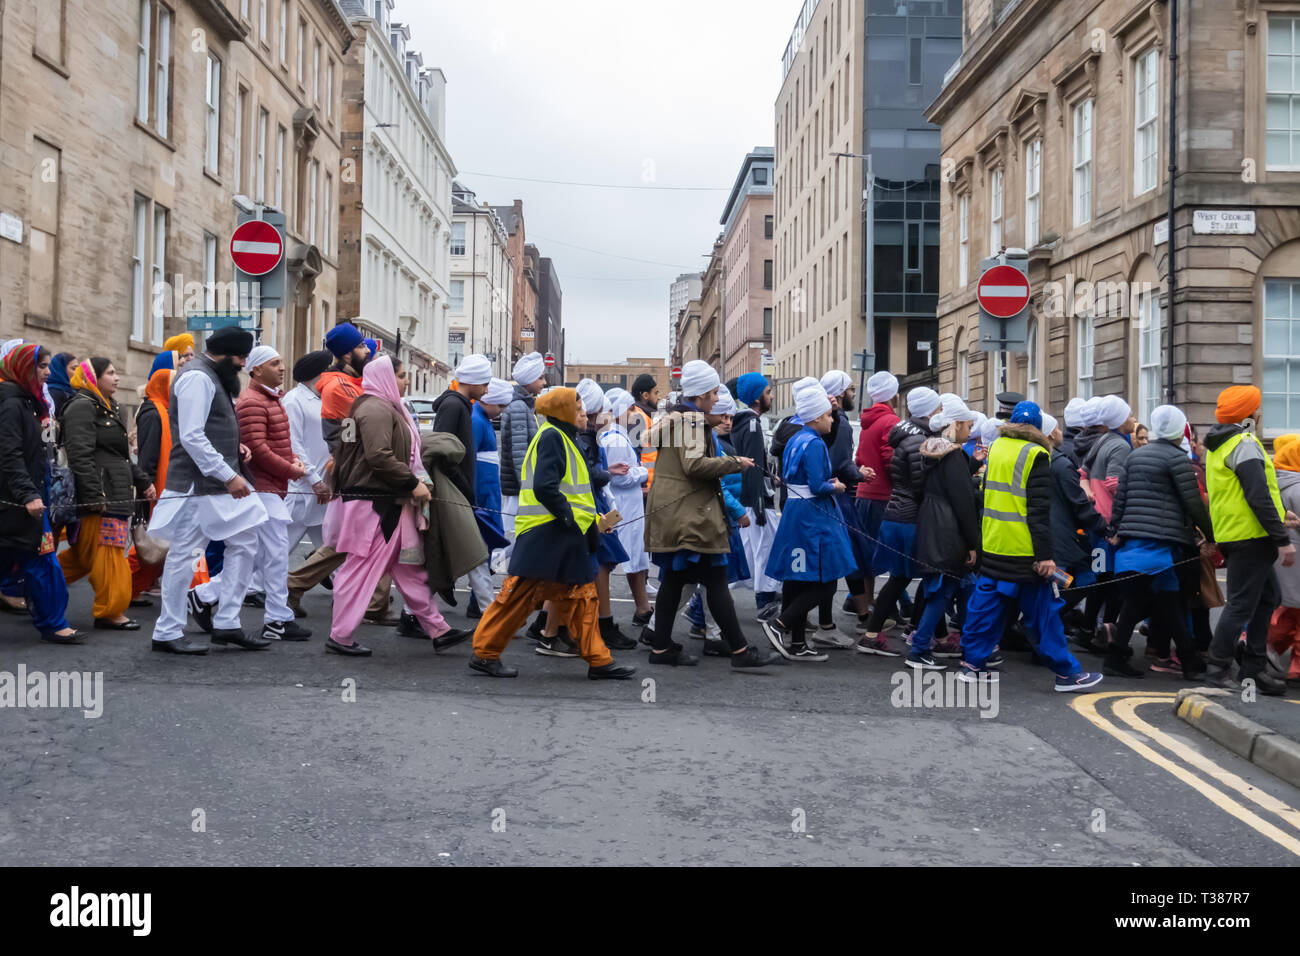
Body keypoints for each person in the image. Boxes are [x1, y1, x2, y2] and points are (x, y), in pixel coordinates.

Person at [467, 387, 637, 681]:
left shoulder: (561, 438)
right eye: (579, 409)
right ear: (563, 412)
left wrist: (589, 519)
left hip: (560, 534)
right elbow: (547, 487)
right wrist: (572, 517)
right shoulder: (554, 438)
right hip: (549, 534)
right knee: (520, 597)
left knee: (582, 596)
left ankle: (599, 660)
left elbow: (569, 491)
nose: (585, 414)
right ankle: (484, 653)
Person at [324, 356, 467, 656]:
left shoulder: (364, 406)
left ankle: (438, 629)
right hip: (377, 503)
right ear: (387, 378)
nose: (406, 381)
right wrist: (411, 483)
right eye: (402, 376)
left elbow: (346, 450)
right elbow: (378, 456)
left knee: (409, 569)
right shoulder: (377, 409)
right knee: (359, 569)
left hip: (377, 501)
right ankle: (340, 636)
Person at [959, 401, 1102, 691]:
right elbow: (1037, 512)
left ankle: (972, 664)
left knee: (985, 609)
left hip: (995, 543)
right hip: (1026, 553)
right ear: (1038, 428)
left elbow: (987, 495)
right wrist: (1046, 556)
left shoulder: (996, 447)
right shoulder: (1037, 455)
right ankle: (1067, 673)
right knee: (1044, 615)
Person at [642, 360, 775, 670]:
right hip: (690, 515)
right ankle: (740, 651)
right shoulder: (690, 423)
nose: (717, 398)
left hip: (681, 514)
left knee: (676, 582)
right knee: (714, 581)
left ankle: (661, 647)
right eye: (714, 393)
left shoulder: (681, 419)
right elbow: (694, 466)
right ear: (701, 395)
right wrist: (735, 462)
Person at [147, 326, 270, 654]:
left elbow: (210, 429)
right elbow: (191, 436)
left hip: (218, 483)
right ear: (227, 354)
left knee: (246, 542)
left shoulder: (213, 375)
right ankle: (167, 630)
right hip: (198, 485)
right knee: (184, 555)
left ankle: (228, 622)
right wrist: (228, 474)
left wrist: (236, 448)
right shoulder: (198, 377)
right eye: (242, 357)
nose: (244, 364)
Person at [287, 324, 393, 623]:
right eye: (361, 347)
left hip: (357, 471)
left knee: (366, 540)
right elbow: (348, 435)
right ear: (346, 353)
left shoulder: (349, 383)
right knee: (359, 540)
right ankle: (368, 603)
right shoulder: (340, 388)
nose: (366, 352)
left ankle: (375, 602)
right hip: (359, 474)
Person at [1101, 404, 1212, 680]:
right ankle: (1117, 658)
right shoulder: (1177, 459)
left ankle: (1186, 660)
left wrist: (1115, 528)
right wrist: (1211, 536)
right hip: (1161, 540)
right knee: (1145, 600)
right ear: (1178, 431)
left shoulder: (1136, 456)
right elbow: (1194, 504)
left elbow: (1122, 497)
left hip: (1136, 537)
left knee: (1169, 598)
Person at [1204, 385, 1293, 694]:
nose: (1259, 415)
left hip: (1237, 533)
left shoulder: (1219, 445)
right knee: (1241, 604)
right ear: (1248, 416)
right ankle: (1217, 667)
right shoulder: (1244, 443)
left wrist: (1282, 516)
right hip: (1251, 537)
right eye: (1257, 410)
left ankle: (1253, 667)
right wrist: (1283, 539)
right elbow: (1257, 495)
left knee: (1269, 597)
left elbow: (1243, 494)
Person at [760, 381, 855, 662]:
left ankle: (798, 642)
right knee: (825, 581)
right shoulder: (814, 443)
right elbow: (816, 485)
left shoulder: (795, 439)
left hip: (795, 512)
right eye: (827, 415)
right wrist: (835, 486)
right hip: (814, 516)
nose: (831, 419)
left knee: (797, 579)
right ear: (815, 417)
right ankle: (779, 625)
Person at [58, 358, 155, 630]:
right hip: (102, 497)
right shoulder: (82, 407)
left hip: (116, 492)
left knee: (84, 557)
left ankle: (32, 588)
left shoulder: (110, 407)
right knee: (108, 555)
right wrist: (94, 496)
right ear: (94, 377)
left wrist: (143, 481)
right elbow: (79, 455)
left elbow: (120, 456)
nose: (117, 377)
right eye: (110, 373)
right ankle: (111, 611)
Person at [230, 345, 312, 642]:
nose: (282, 367)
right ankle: (277, 618)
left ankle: (204, 594)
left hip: (270, 486)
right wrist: (292, 470)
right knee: (274, 552)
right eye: (275, 363)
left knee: (256, 555)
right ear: (256, 369)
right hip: (261, 486)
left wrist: (293, 461)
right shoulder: (253, 401)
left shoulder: (269, 398)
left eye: (281, 362)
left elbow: (278, 442)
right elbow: (259, 450)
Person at [0, 343, 79, 643]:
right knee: (44, 560)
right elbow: (9, 455)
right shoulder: (9, 404)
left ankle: (52, 621)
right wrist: (28, 495)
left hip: (28, 499)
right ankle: (54, 623)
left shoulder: (26, 402)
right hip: (17, 503)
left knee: (35, 559)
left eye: (48, 366)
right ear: (23, 368)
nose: (47, 372)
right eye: (41, 366)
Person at [856, 386, 939, 656]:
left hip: (898, 513)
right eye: (938, 408)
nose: (941, 413)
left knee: (901, 577)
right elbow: (920, 484)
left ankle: (875, 634)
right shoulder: (919, 441)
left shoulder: (908, 435)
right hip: (909, 517)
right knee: (927, 576)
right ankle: (923, 633)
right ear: (929, 411)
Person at [907, 403, 981, 670]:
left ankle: (965, 644)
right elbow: (964, 503)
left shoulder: (929, 452)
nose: (969, 432)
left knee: (950, 589)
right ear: (956, 424)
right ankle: (918, 650)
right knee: (943, 593)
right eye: (968, 426)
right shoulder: (953, 456)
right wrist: (973, 544)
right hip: (948, 531)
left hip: (930, 524)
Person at [575, 378, 637, 651]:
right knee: (604, 558)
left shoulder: (592, 436)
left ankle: (550, 624)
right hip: (594, 506)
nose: (610, 417)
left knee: (606, 559)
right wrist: (607, 474)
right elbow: (589, 475)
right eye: (606, 411)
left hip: (600, 504)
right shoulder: (587, 438)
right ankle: (603, 623)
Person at [817, 369, 870, 640]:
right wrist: (860, 473)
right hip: (837, 497)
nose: (853, 394)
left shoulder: (826, 420)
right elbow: (839, 463)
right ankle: (859, 617)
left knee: (836, 559)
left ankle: (851, 617)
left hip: (827, 495)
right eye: (850, 389)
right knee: (848, 558)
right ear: (838, 392)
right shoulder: (840, 422)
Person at [599, 388, 654, 625]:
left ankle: (643, 608)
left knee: (634, 559)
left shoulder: (617, 436)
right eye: (630, 408)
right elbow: (621, 477)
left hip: (626, 506)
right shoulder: (616, 439)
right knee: (623, 558)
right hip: (623, 508)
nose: (635, 412)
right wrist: (643, 472)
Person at [731, 371, 781, 615]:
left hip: (752, 498)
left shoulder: (745, 422)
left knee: (752, 553)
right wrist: (759, 503)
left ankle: (767, 596)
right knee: (763, 551)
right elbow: (751, 465)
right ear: (758, 397)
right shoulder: (752, 424)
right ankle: (766, 601)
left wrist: (769, 478)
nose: (771, 395)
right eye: (768, 391)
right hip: (756, 501)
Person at [127, 357, 175, 602]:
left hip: (163, 487)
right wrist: (147, 485)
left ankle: (130, 588)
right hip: (155, 489)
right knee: (150, 543)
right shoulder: (152, 413)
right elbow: (148, 455)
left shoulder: (163, 410)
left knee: (158, 544)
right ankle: (125, 585)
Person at [464, 377, 513, 618]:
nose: (501, 411)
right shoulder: (477, 421)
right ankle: (479, 602)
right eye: (500, 406)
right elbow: (471, 463)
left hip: (488, 496)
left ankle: (478, 600)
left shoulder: (479, 419)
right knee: (486, 550)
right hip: (483, 498)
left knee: (488, 550)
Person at [855, 370, 902, 607]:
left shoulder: (867, 422)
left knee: (867, 554)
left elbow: (859, 457)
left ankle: (867, 602)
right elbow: (890, 458)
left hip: (864, 493)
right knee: (892, 554)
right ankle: (885, 606)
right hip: (883, 495)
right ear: (893, 394)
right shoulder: (891, 421)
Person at [283, 349, 333, 558]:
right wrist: (313, 479)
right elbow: (294, 445)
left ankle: (347, 587)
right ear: (319, 373)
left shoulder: (322, 399)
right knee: (280, 547)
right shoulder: (293, 400)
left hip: (323, 488)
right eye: (328, 370)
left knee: (329, 547)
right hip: (303, 489)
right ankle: (251, 586)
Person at [499, 351, 546, 552]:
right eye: (541, 377)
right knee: (515, 541)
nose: (544, 382)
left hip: (521, 488)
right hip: (519, 490)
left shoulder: (525, 406)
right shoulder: (519, 408)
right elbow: (520, 454)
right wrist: (528, 487)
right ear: (529, 380)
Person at [432, 354, 491, 508]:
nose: (486, 390)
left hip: (458, 490)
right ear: (473, 382)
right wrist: (463, 486)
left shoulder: (460, 405)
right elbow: (442, 453)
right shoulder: (453, 406)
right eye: (484, 384)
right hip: (454, 492)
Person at [1268, 439, 1300, 685]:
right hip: (1296, 557)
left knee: (1285, 611)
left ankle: (1263, 647)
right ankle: (1297, 667)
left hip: (1277, 559)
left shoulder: (1272, 484)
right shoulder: (1298, 488)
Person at [629, 372, 660, 491]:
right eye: (655, 393)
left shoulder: (644, 415)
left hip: (649, 483)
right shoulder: (638, 417)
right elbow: (634, 455)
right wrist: (642, 484)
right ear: (645, 395)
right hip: (645, 486)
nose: (658, 397)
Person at [46, 353, 77, 417]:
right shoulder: (54, 393)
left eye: (78, 369)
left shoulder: (71, 390)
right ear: (60, 370)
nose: (77, 372)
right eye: (73, 369)